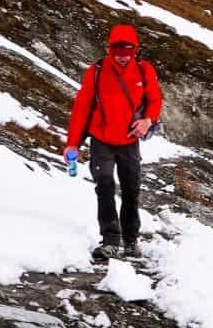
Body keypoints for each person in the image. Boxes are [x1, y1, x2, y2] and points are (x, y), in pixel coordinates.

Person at [64, 24, 163, 260]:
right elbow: (81, 108)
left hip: (129, 141)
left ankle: (130, 240)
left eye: (127, 51)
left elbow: (155, 99)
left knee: (131, 190)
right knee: (105, 185)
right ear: (109, 49)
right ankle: (110, 240)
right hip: (102, 140)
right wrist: (72, 144)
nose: (122, 56)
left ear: (134, 50)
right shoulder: (97, 71)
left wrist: (148, 120)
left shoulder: (143, 69)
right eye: (117, 51)